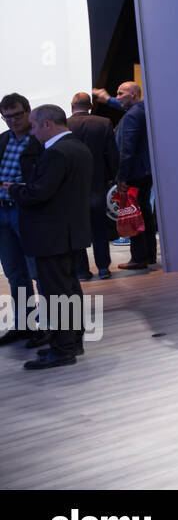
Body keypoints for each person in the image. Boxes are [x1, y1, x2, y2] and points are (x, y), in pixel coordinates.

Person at [3, 105, 92, 369]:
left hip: (51, 235)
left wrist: (14, 190)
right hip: (67, 233)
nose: (31, 131)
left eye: (32, 125)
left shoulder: (56, 153)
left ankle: (63, 350)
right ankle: (72, 342)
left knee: (57, 294)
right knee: (69, 290)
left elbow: (39, 193)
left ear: (46, 124)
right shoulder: (78, 147)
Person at [93, 82, 156, 269]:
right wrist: (107, 99)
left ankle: (138, 258)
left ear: (134, 95)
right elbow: (124, 103)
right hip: (144, 172)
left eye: (121, 94)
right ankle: (149, 255)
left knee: (133, 215)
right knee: (144, 213)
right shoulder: (143, 108)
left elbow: (126, 151)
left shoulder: (131, 117)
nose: (118, 97)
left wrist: (121, 177)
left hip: (133, 174)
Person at [0, 94, 43, 346]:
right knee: (15, 273)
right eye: (7, 117)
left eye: (17, 115)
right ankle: (25, 324)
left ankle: (50, 328)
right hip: (2, 213)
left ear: (28, 111)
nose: (12, 121)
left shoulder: (39, 140)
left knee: (38, 270)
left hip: (25, 210)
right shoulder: (3, 140)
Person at [67, 93, 119, 279]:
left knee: (77, 229)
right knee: (99, 228)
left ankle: (82, 271)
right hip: (97, 182)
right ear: (90, 105)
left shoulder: (64, 124)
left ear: (72, 105)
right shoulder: (104, 123)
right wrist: (113, 177)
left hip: (71, 186)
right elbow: (112, 155)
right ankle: (103, 268)